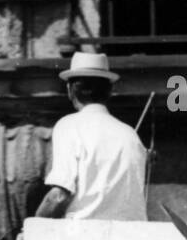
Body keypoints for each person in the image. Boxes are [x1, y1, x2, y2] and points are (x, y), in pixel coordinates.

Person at [35, 51, 148, 222]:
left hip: (86, 237)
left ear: (70, 90)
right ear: (109, 91)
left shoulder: (69, 125)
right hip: (131, 238)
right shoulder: (130, 134)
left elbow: (59, 195)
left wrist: (32, 228)